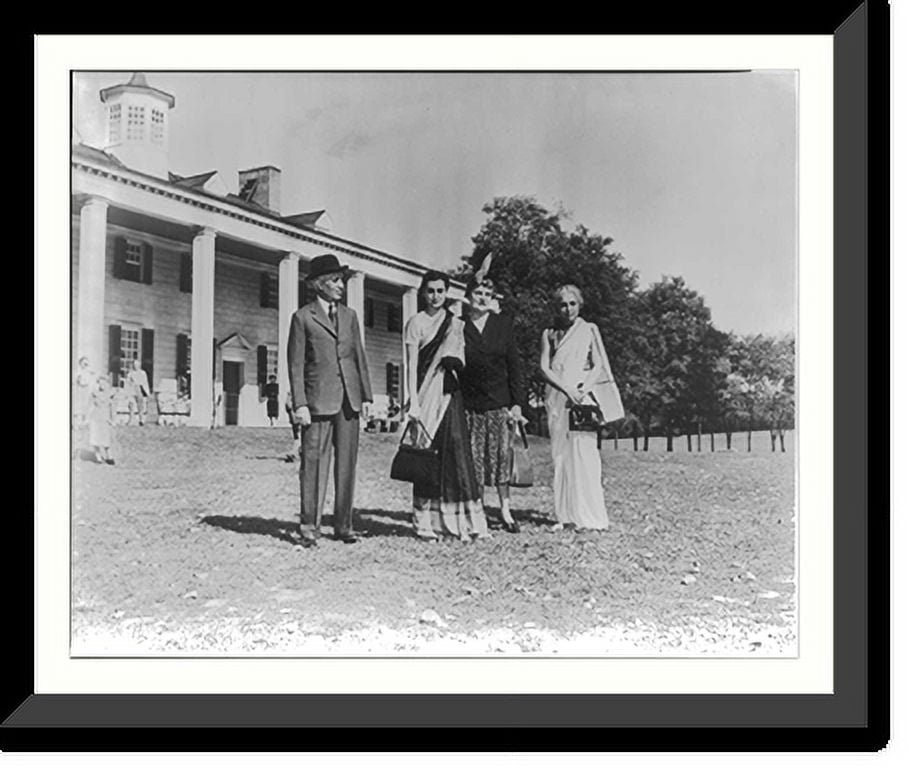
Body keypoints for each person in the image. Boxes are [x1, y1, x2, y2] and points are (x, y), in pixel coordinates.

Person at [288, 254, 373, 547]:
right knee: (313, 465)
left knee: (347, 466)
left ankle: (344, 526)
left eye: (342, 281)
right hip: (317, 402)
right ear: (320, 284)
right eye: (336, 280)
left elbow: (359, 357)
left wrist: (366, 396)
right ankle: (309, 528)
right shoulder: (302, 318)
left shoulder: (350, 316)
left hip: (350, 400)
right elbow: (295, 365)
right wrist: (300, 404)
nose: (341, 286)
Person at [404, 271, 488, 541]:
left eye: (440, 291)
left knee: (456, 454)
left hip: (449, 394)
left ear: (446, 292)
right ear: (423, 292)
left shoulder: (454, 322)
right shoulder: (415, 322)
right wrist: (413, 402)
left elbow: (460, 358)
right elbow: (411, 365)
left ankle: (464, 523)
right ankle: (424, 523)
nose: (435, 296)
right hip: (425, 395)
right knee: (426, 458)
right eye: (430, 291)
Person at [539, 284, 620, 531]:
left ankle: (590, 517)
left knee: (585, 455)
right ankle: (565, 515)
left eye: (572, 304)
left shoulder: (589, 330)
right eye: (563, 304)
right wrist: (566, 389)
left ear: (580, 304)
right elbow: (544, 367)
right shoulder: (549, 333)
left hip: (582, 399)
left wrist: (582, 390)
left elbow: (598, 364)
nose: (568, 309)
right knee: (561, 456)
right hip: (558, 397)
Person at [461, 276, 527, 534]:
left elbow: (514, 367)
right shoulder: (459, 325)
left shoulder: (503, 325)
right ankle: (477, 511)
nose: (482, 298)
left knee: (501, 458)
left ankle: (505, 510)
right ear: (468, 296)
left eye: (487, 294)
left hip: (499, 402)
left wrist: (517, 404)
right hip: (471, 404)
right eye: (478, 292)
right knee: (475, 459)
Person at [88, 374, 116, 465]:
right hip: (95, 418)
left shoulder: (110, 394)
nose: (102, 385)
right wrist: (87, 418)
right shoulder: (95, 394)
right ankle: (98, 456)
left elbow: (112, 408)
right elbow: (91, 406)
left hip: (105, 418)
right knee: (95, 439)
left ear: (107, 384)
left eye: (104, 383)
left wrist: (113, 420)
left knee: (106, 440)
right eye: (100, 383)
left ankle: (109, 456)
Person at [125, 358, 150, 426]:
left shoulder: (143, 373)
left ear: (139, 365)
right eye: (134, 364)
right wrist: (127, 391)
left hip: (139, 390)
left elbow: (145, 382)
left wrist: (146, 392)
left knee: (140, 406)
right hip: (132, 390)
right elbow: (127, 382)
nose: (135, 366)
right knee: (131, 405)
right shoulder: (130, 373)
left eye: (137, 364)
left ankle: (141, 420)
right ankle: (131, 420)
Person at [284, 391, 301, 462]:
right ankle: (295, 453)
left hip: (297, 417)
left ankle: (294, 453)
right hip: (294, 418)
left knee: (298, 436)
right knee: (297, 437)